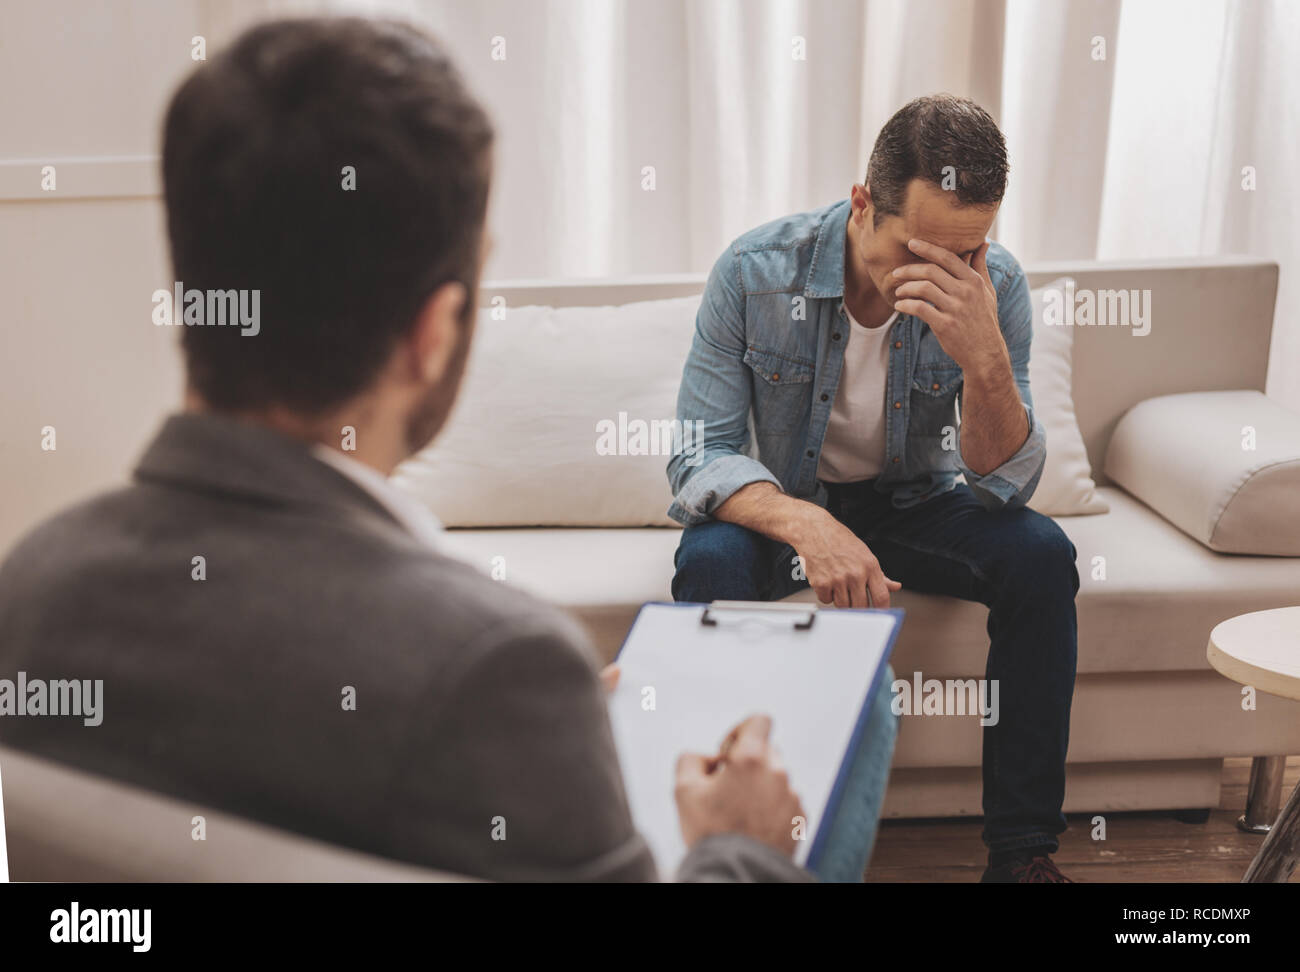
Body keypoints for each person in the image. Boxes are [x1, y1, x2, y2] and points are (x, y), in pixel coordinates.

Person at [0, 17, 896, 883]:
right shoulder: (497, 666)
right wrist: (741, 851)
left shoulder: (31, 585)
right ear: (436, 333)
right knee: (866, 723)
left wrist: (542, 748)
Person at [667, 94, 1079, 883]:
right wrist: (809, 527)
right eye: (918, 251)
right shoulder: (756, 273)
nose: (942, 276)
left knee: (1041, 555)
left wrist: (985, 361)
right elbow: (699, 456)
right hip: (787, 509)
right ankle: (723, 852)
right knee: (709, 558)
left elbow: (1004, 486)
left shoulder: (995, 290)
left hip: (917, 505)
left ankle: (1023, 856)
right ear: (863, 204)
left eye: (964, 255)